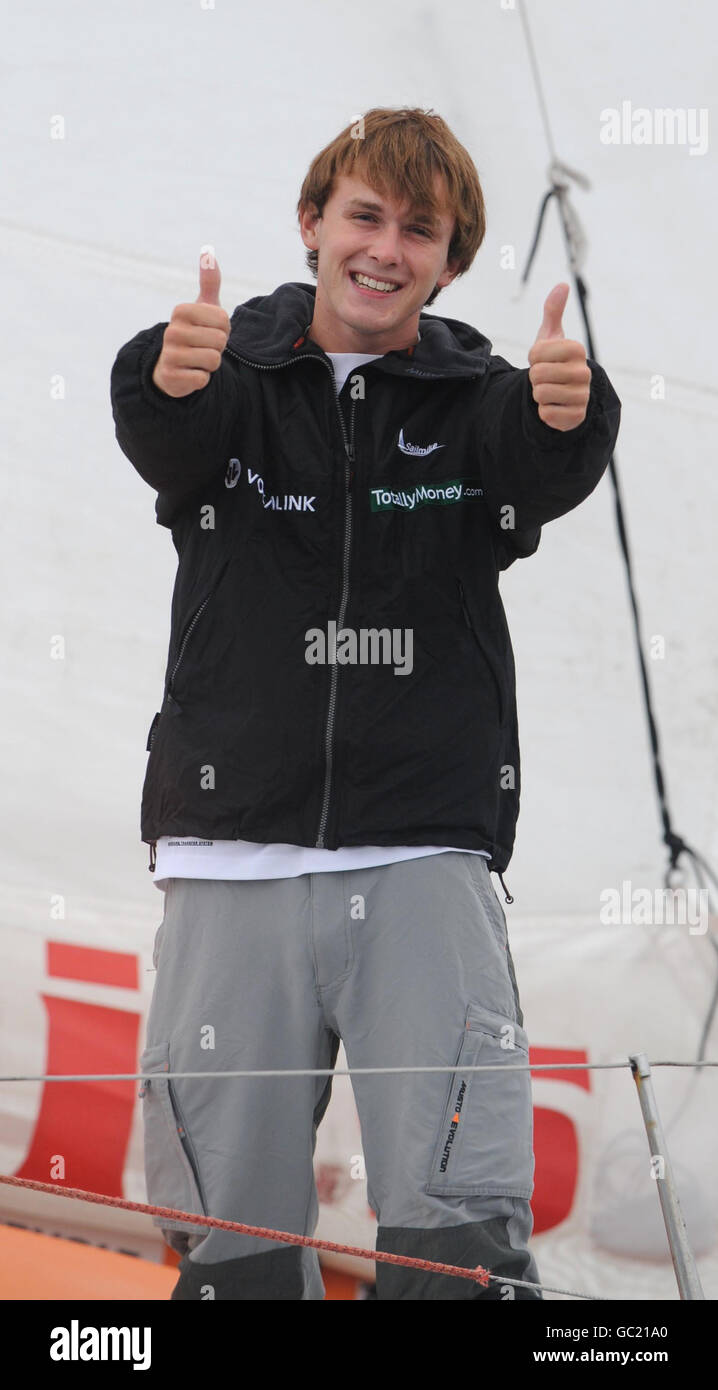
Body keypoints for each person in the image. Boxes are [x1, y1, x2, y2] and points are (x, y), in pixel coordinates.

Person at [110, 106, 621, 1300]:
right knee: (227, 1243)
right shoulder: (228, 372)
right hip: (230, 854)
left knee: (456, 1240)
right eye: (364, 216)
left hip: (422, 858)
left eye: (420, 229)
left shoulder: (480, 399)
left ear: (449, 261)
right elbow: (167, 427)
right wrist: (161, 370)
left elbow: (539, 456)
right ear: (312, 223)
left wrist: (569, 408)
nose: (386, 248)